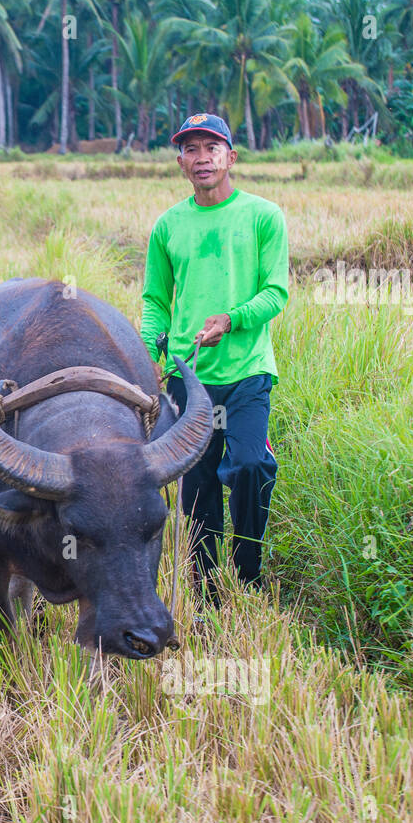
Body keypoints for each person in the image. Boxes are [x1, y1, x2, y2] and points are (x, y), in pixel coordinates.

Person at [139, 112, 289, 602]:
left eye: (211, 147)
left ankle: (248, 570)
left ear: (231, 156)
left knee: (248, 466)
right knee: (198, 486)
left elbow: (276, 293)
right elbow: (156, 302)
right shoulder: (168, 226)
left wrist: (232, 318)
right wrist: (147, 354)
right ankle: (205, 591)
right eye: (191, 149)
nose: (201, 158)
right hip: (189, 375)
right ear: (180, 160)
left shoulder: (263, 216)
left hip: (247, 372)